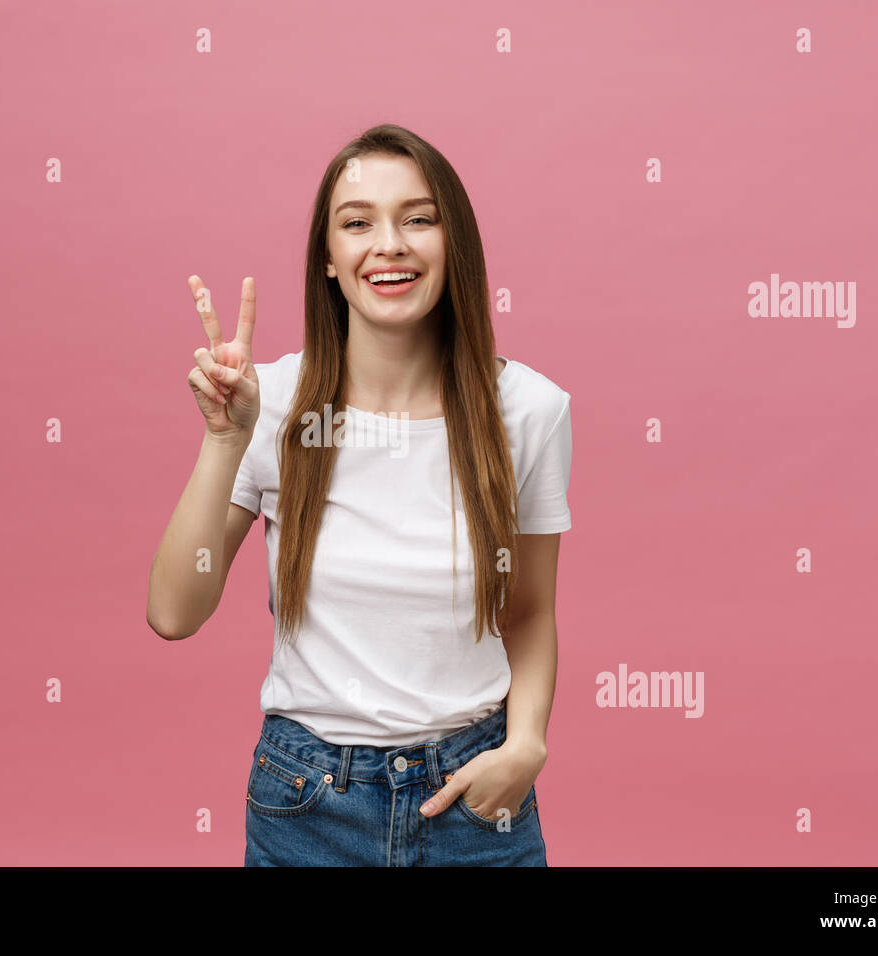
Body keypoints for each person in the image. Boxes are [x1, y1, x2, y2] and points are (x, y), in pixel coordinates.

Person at [147, 124, 572, 866]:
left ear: (454, 244)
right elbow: (174, 612)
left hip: (474, 802)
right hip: (309, 806)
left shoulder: (529, 409)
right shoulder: (271, 401)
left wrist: (527, 742)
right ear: (329, 261)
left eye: (418, 218)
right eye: (357, 223)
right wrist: (225, 440)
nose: (390, 244)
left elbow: (530, 610)